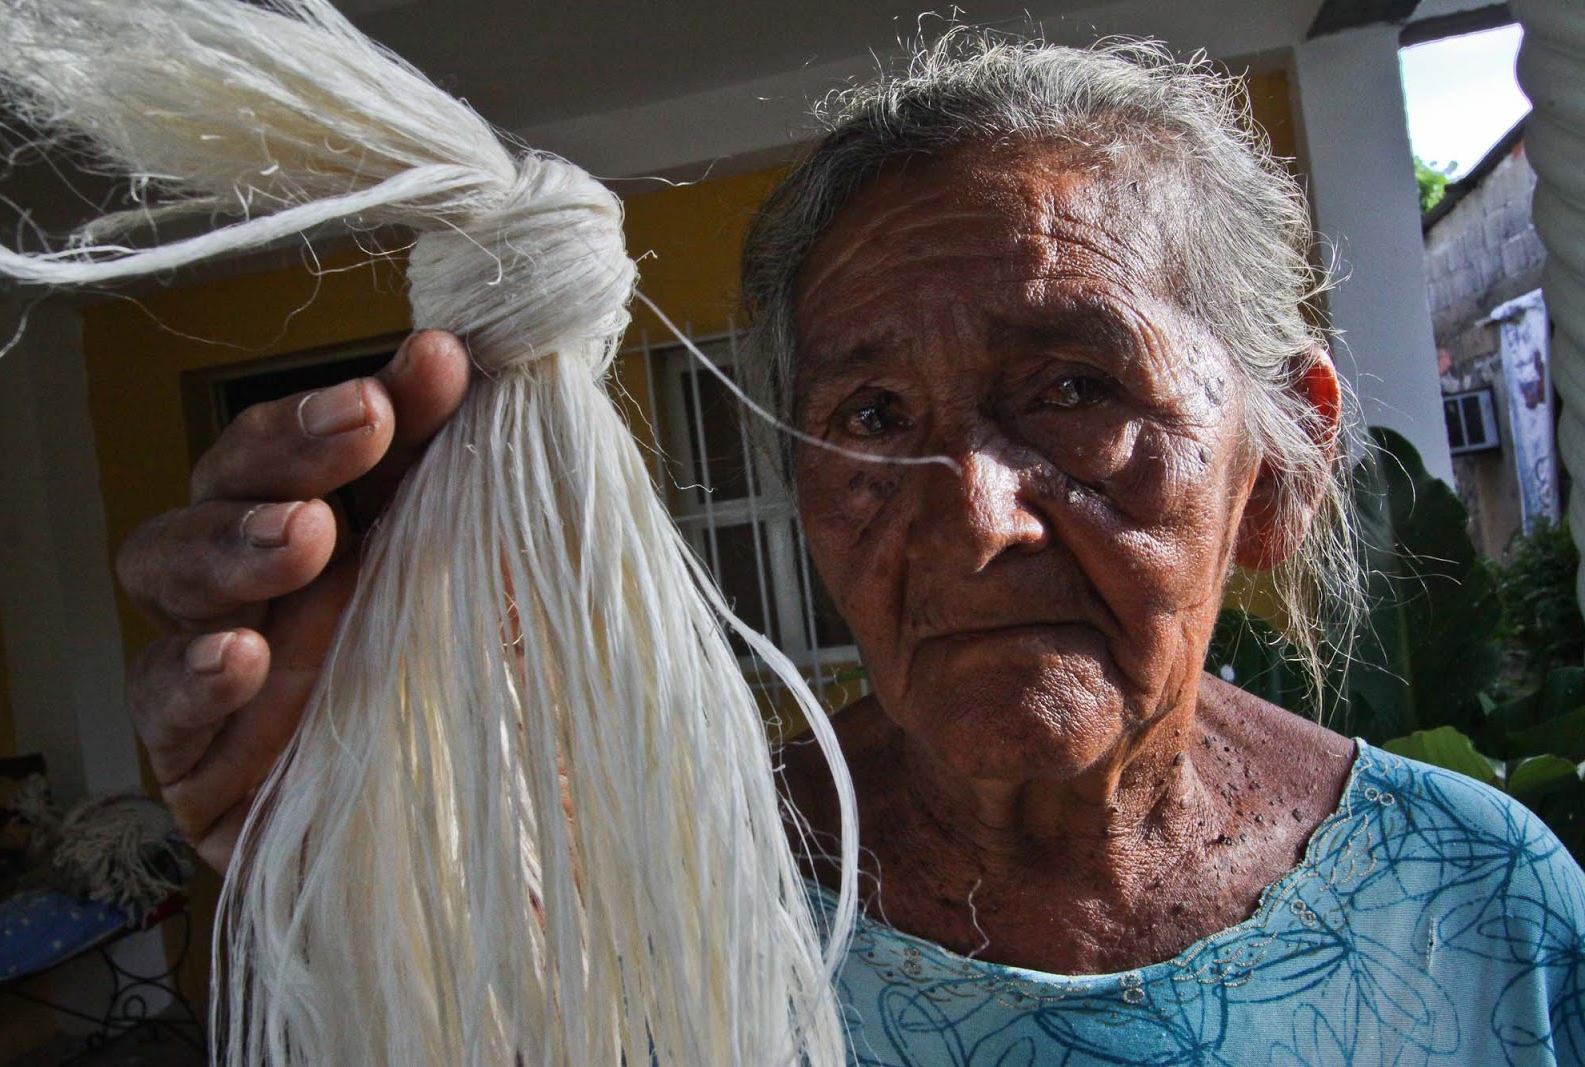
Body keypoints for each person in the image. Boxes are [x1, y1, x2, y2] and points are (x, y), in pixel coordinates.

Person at [117, 35, 1584, 1064]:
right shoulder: (653, 913)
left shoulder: (1483, 907)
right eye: (871, 414)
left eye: (1076, 390)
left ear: (1287, 460)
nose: (969, 515)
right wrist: (381, 903)